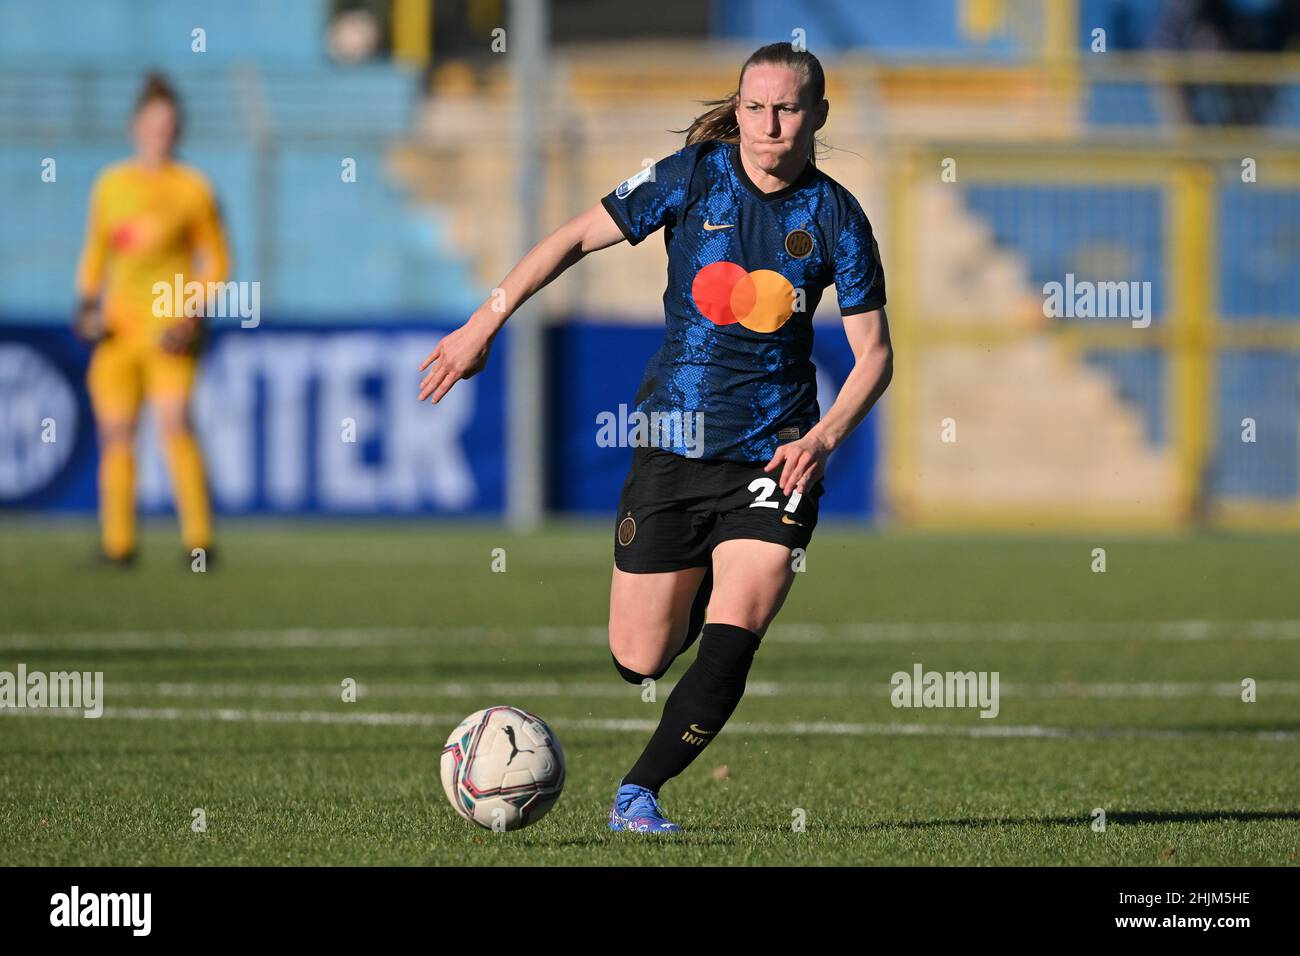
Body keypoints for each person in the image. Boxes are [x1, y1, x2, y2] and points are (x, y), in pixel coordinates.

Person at [419, 42, 893, 832]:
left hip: (777, 453)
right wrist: (482, 323)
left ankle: (638, 793)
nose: (767, 124)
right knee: (639, 658)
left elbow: (874, 355)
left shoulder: (838, 215)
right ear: (736, 108)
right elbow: (570, 239)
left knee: (737, 629)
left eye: (785, 109)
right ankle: (699, 575)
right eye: (753, 107)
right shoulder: (688, 176)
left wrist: (826, 436)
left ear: (817, 116)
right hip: (673, 441)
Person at [75, 73, 230, 566]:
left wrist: (191, 313)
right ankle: (119, 545)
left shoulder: (193, 188)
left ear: (178, 131)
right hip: (119, 330)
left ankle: (198, 544)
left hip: (169, 330)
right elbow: (96, 253)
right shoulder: (111, 185)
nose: (160, 134)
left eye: (169, 126)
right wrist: (86, 304)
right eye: (153, 124)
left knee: (174, 423)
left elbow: (219, 262)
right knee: (116, 434)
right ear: (135, 128)